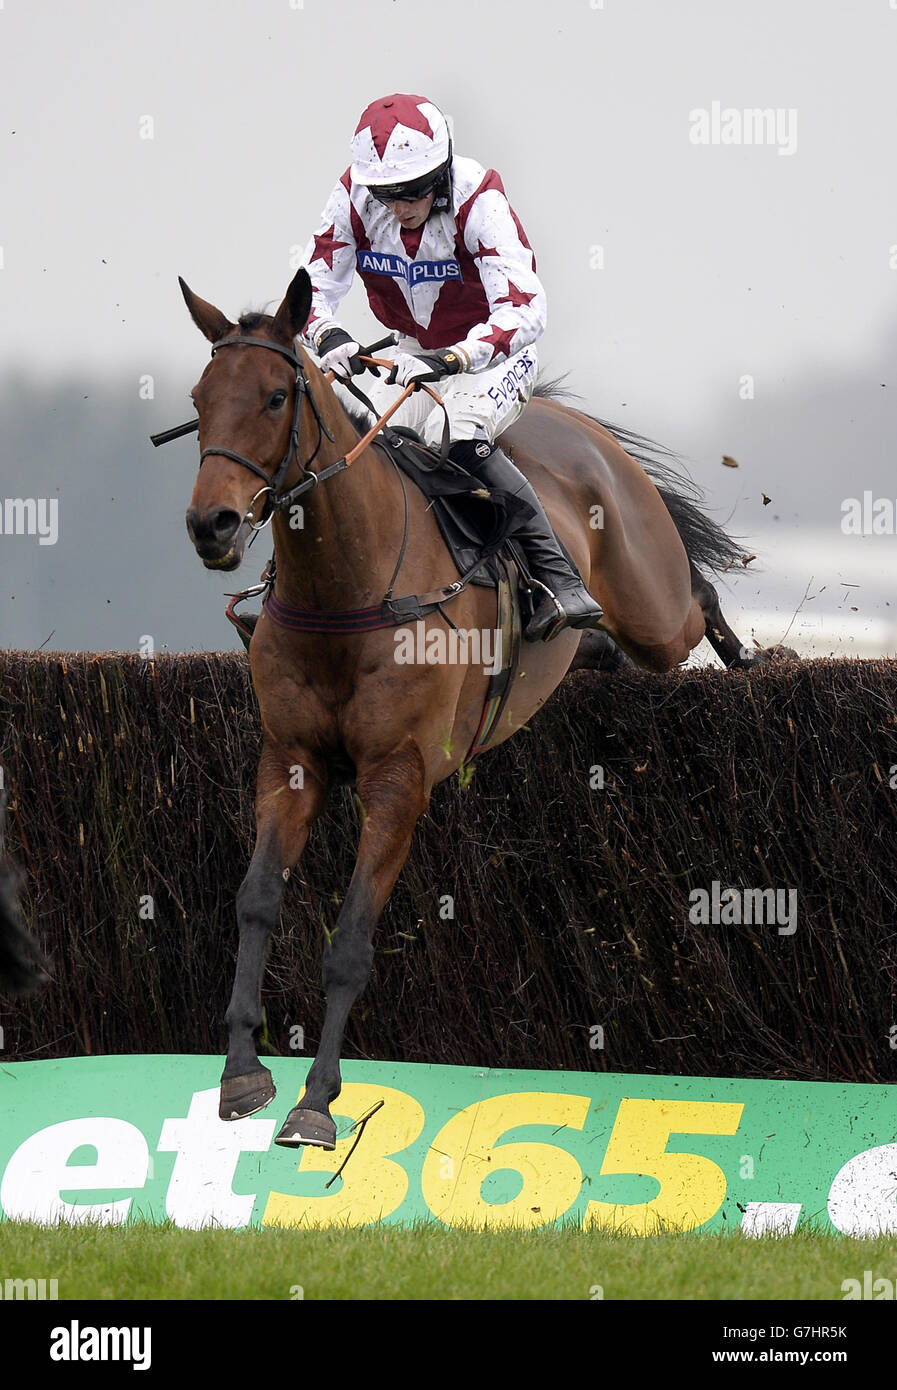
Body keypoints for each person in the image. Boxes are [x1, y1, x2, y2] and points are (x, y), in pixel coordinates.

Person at [300, 93, 603, 640]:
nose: (399, 206)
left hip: (493, 354)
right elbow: (308, 292)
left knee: (459, 436)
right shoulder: (350, 195)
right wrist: (327, 335)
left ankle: (560, 579)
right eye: (386, 194)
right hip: (411, 349)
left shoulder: (479, 199)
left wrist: (458, 356)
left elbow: (526, 310)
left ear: (441, 171)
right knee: (352, 446)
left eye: (413, 191)